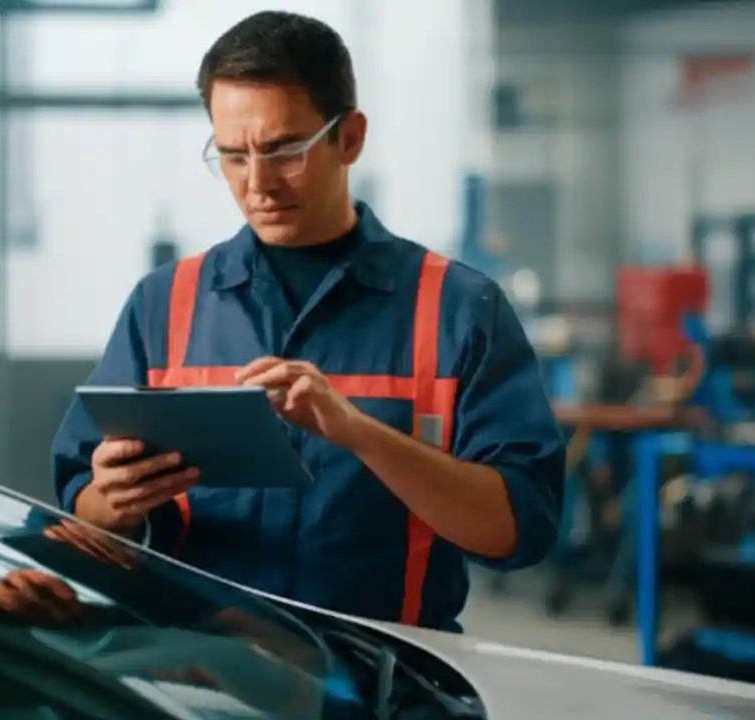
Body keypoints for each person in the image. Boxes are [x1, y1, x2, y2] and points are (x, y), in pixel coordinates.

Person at [52, 10, 565, 632]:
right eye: (234, 156)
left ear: (349, 138)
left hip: (388, 685)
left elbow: (519, 529)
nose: (258, 184)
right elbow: (83, 501)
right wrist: (112, 499)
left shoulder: (457, 310)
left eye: (282, 150)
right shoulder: (164, 306)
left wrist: (357, 431)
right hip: (206, 682)